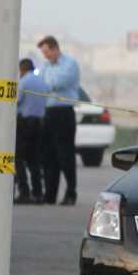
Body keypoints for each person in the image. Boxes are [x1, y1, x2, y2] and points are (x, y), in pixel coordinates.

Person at [36, 35, 82, 205]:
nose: (45, 56)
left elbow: (54, 83)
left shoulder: (69, 64)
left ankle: (71, 192)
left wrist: (42, 83)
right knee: (48, 156)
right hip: (48, 112)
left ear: (55, 49)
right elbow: (40, 84)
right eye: (43, 53)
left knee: (65, 155)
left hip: (64, 113)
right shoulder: (45, 66)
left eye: (47, 52)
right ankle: (50, 194)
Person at [14, 56, 47, 205]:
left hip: (25, 124)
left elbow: (16, 101)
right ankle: (38, 193)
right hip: (39, 124)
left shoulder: (23, 82)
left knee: (19, 159)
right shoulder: (41, 81)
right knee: (34, 160)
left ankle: (24, 192)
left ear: (22, 69)